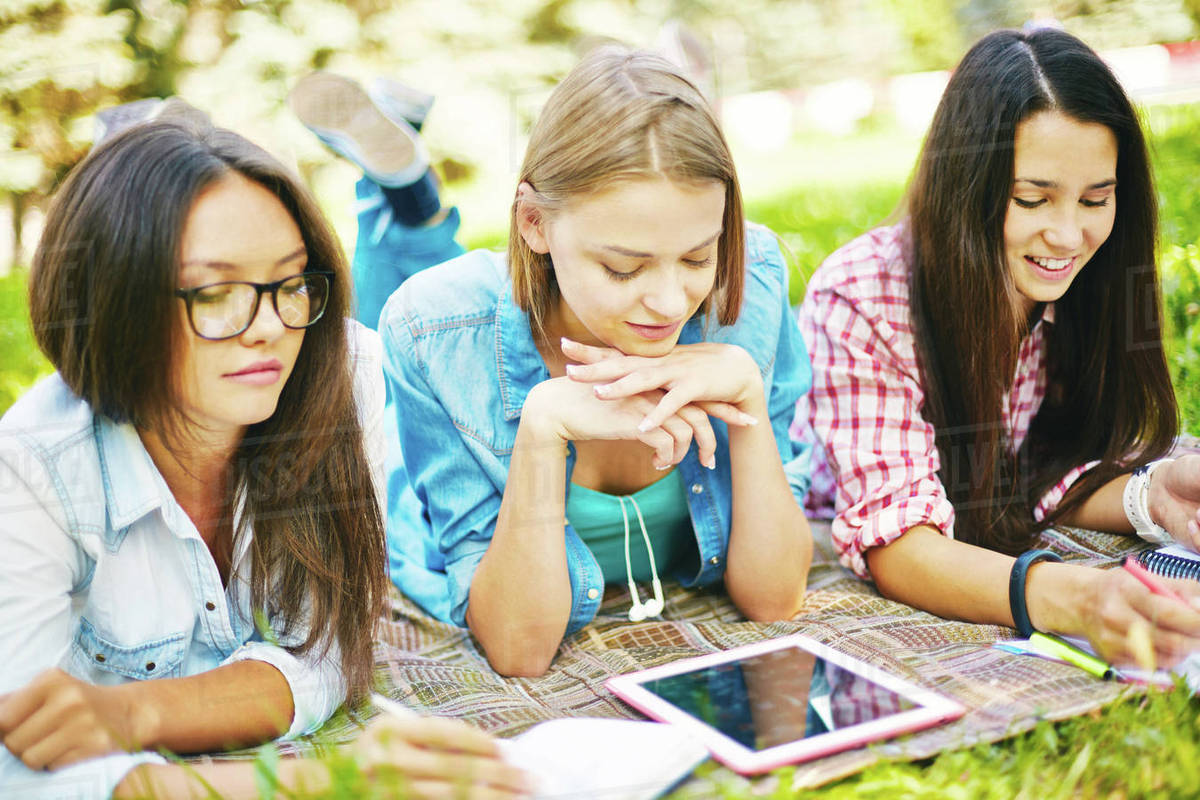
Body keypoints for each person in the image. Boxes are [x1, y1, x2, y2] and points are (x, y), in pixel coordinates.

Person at [0, 119, 529, 799]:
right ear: (113, 302)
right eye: (216, 294)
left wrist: (135, 713)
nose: (271, 328)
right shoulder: (32, 470)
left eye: (291, 283)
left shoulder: (342, 370)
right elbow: (22, 773)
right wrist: (337, 781)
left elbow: (327, 650)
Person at [345, 48, 815, 679]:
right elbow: (518, 649)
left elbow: (775, 599)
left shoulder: (750, 280)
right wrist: (540, 433)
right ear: (534, 222)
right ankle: (400, 198)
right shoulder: (435, 333)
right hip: (451, 356)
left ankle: (404, 191)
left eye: (699, 258)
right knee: (393, 299)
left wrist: (750, 401)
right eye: (623, 267)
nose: (671, 302)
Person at [794, 28, 1200, 669]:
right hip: (818, 496)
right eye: (1031, 199)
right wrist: (1078, 597)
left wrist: (1151, 497)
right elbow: (899, 543)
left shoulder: (1089, 280)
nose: (1068, 234)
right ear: (968, 188)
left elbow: (1033, 468)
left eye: (1097, 198)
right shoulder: (863, 297)